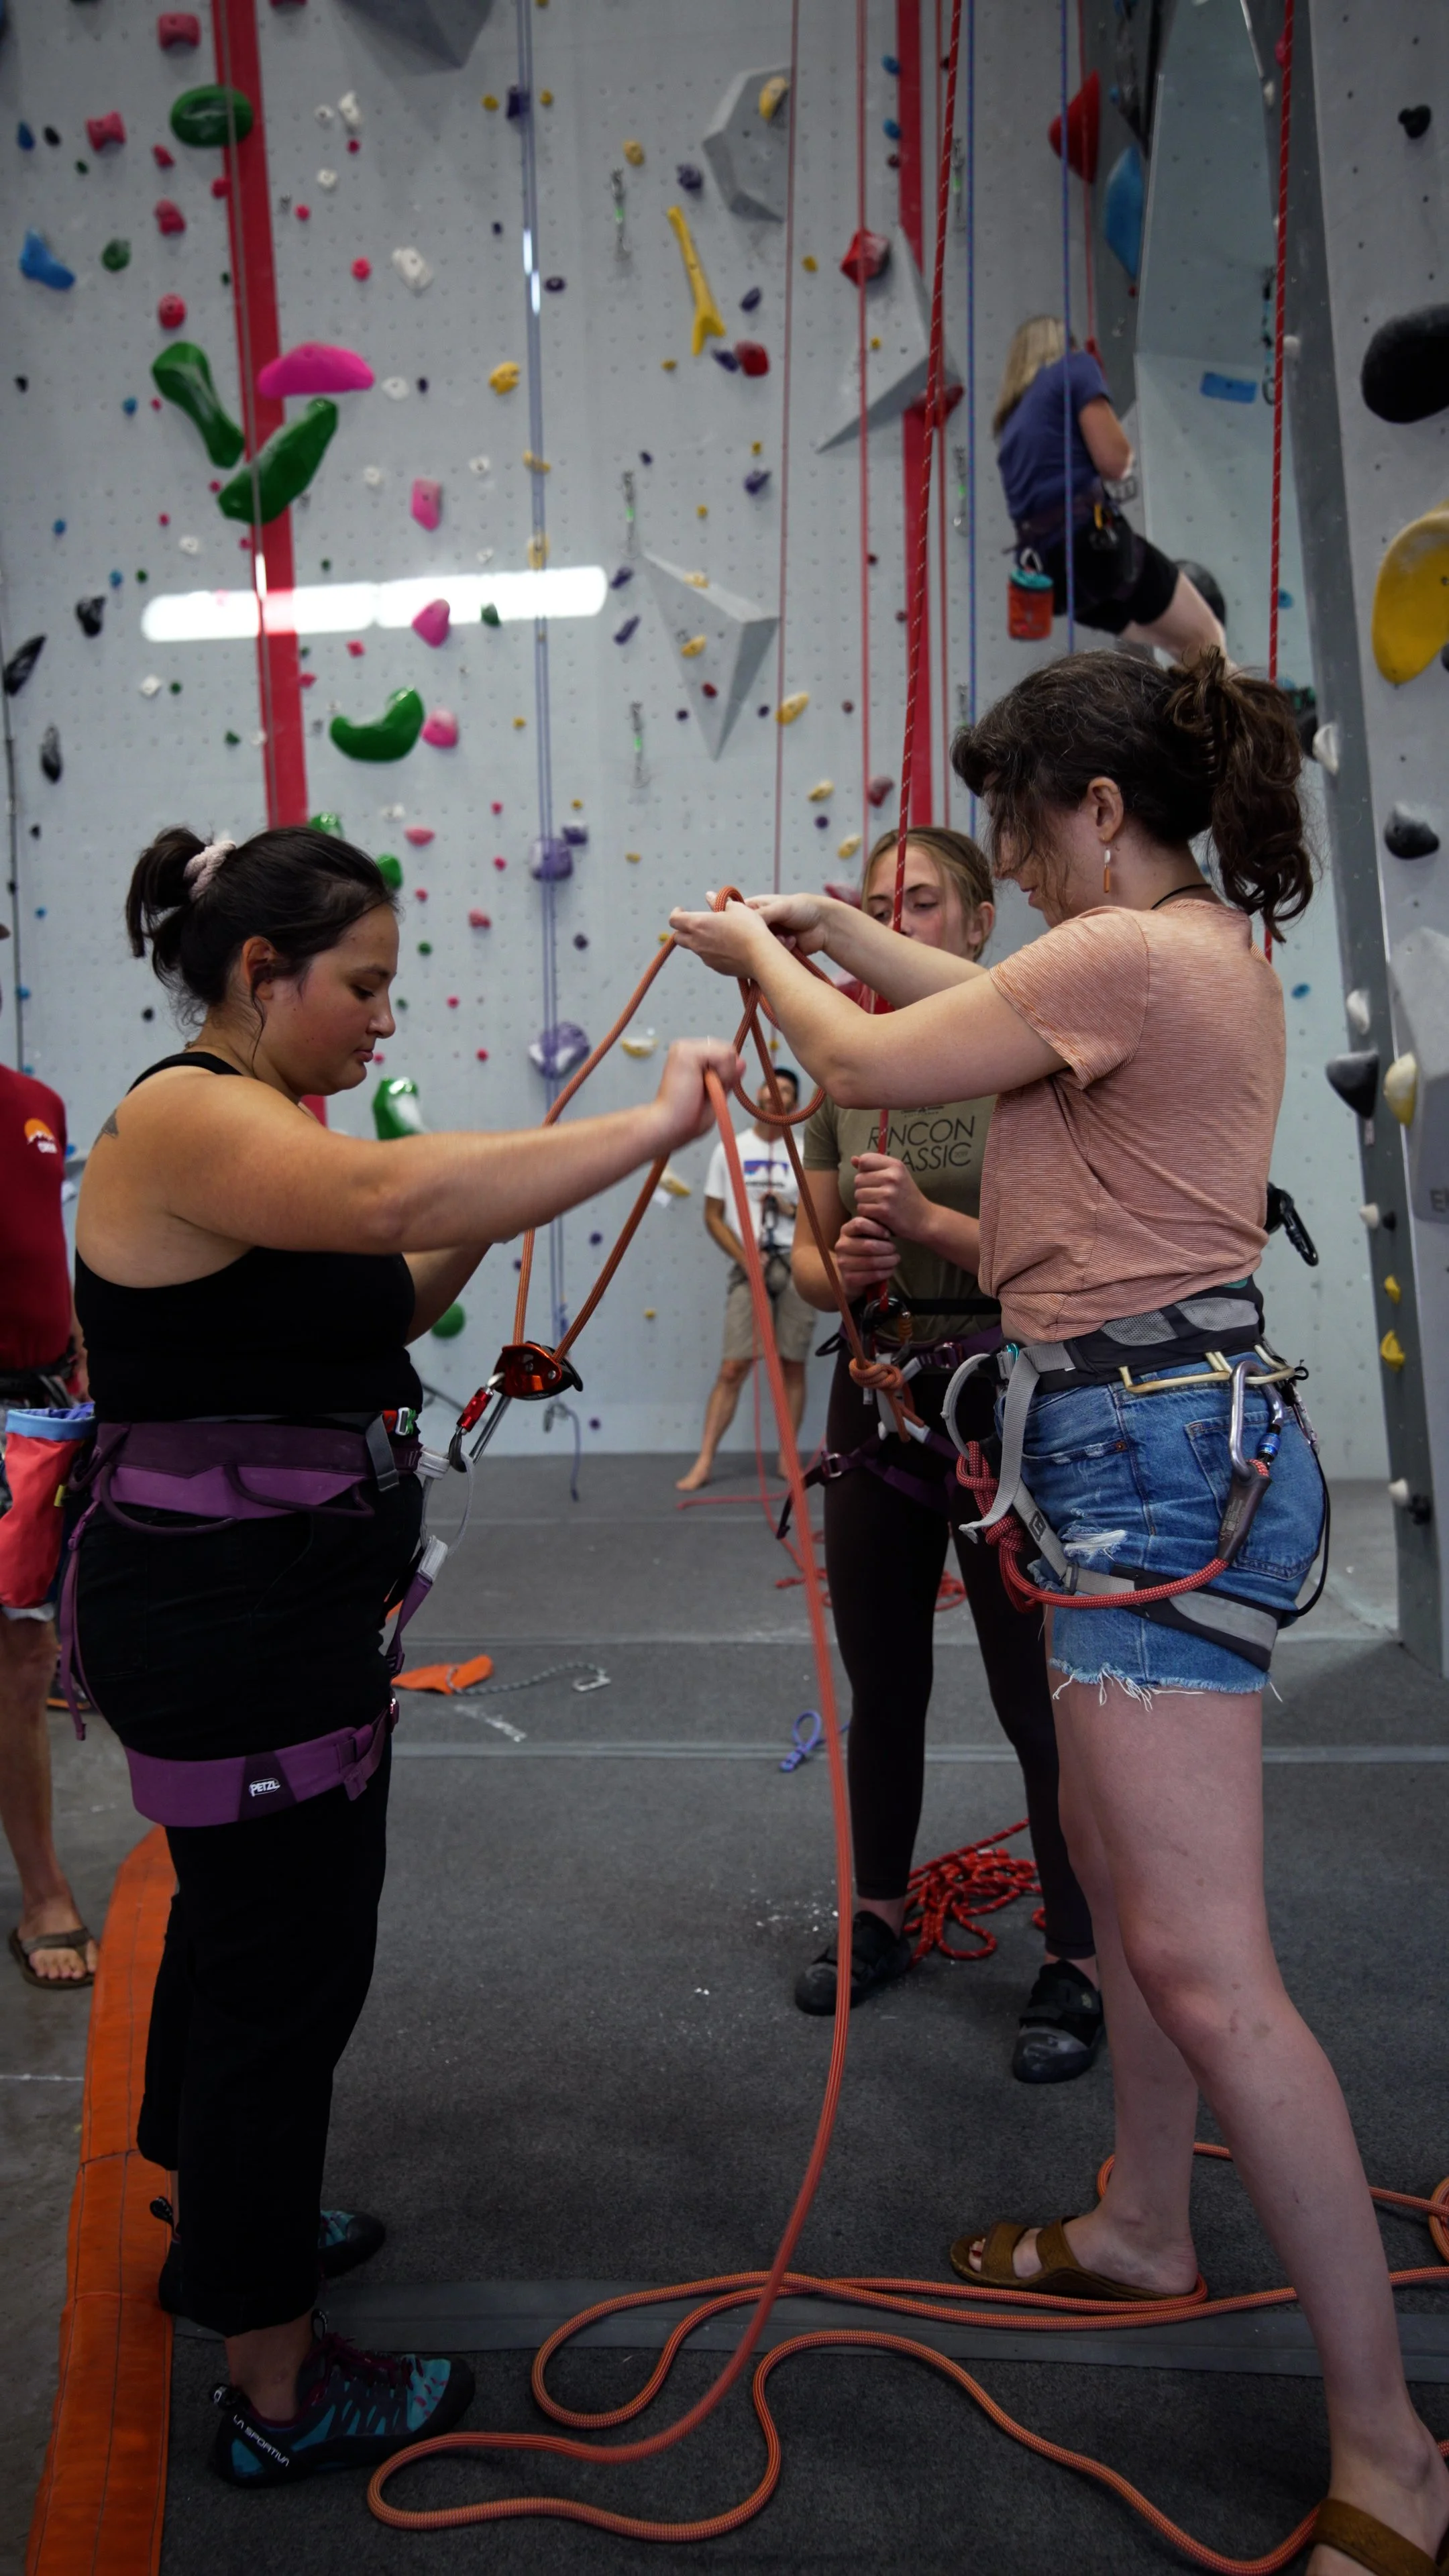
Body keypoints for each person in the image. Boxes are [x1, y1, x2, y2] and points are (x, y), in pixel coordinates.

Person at [670, 652, 1448, 2576]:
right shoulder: (1173, 949)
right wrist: (841, 925)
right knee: (1115, 1866)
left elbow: (858, 1063)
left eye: (1015, 829)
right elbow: (969, 1003)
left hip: (1147, 1463)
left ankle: (1393, 2450)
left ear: (1096, 809)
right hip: (1138, 1443)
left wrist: (754, 962)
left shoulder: (1139, 959)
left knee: (1198, 1958)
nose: (1003, 871)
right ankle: (1142, 2224)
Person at [72, 824, 739, 2490]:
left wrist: (595, 1170)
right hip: (229, 1626)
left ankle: (232, 2218)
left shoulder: (258, 1137)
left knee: (260, 1952)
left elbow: (386, 1286)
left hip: (276, 1616)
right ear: (257, 973)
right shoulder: (185, 1117)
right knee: (284, 1978)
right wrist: (647, 1116)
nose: (384, 1017)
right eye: (361, 985)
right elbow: (393, 1190)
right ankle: (280, 2389)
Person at [788, 827, 1100, 2081]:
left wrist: (930, 1226)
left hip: (1007, 1392)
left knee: (1038, 1697)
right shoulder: (840, 1073)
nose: (895, 924)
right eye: (874, 906)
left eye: (920, 903)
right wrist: (849, 1265)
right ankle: (876, 1918)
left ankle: (1076, 1954)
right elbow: (809, 1267)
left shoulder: (1033, 1065)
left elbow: (1076, 1258)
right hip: (878, 1389)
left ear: (980, 926)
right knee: (884, 1681)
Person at [0, 918, 97, 1990]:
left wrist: (77, 1361)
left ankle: (40, 1891)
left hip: (31, 1414)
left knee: (24, 1665)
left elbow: (43, 1254)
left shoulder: (35, 1106)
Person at [995, 315, 1224, 660]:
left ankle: (1201, 711)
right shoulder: (1074, 368)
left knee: (1181, 648)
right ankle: (1245, 713)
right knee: (1208, 639)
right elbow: (1116, 462)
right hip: (1096, 551)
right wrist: (1096, 389)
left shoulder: (1010, 427)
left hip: (1057, 581)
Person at [676, 1067, 816, 1491]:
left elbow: (822, 1218)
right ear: (756, 1095)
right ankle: (704, 1462)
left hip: (795, 1266)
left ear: (794, 1105)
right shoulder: (730, 1151)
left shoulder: (809, 1155)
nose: (777, 1095)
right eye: (771, 1087)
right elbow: (713, 1217)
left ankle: (787, 1459)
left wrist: (793, 1214)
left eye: (787, 1090)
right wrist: (745, 1257)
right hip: (749, 1265)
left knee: (792, 1363)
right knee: (734, 1366)